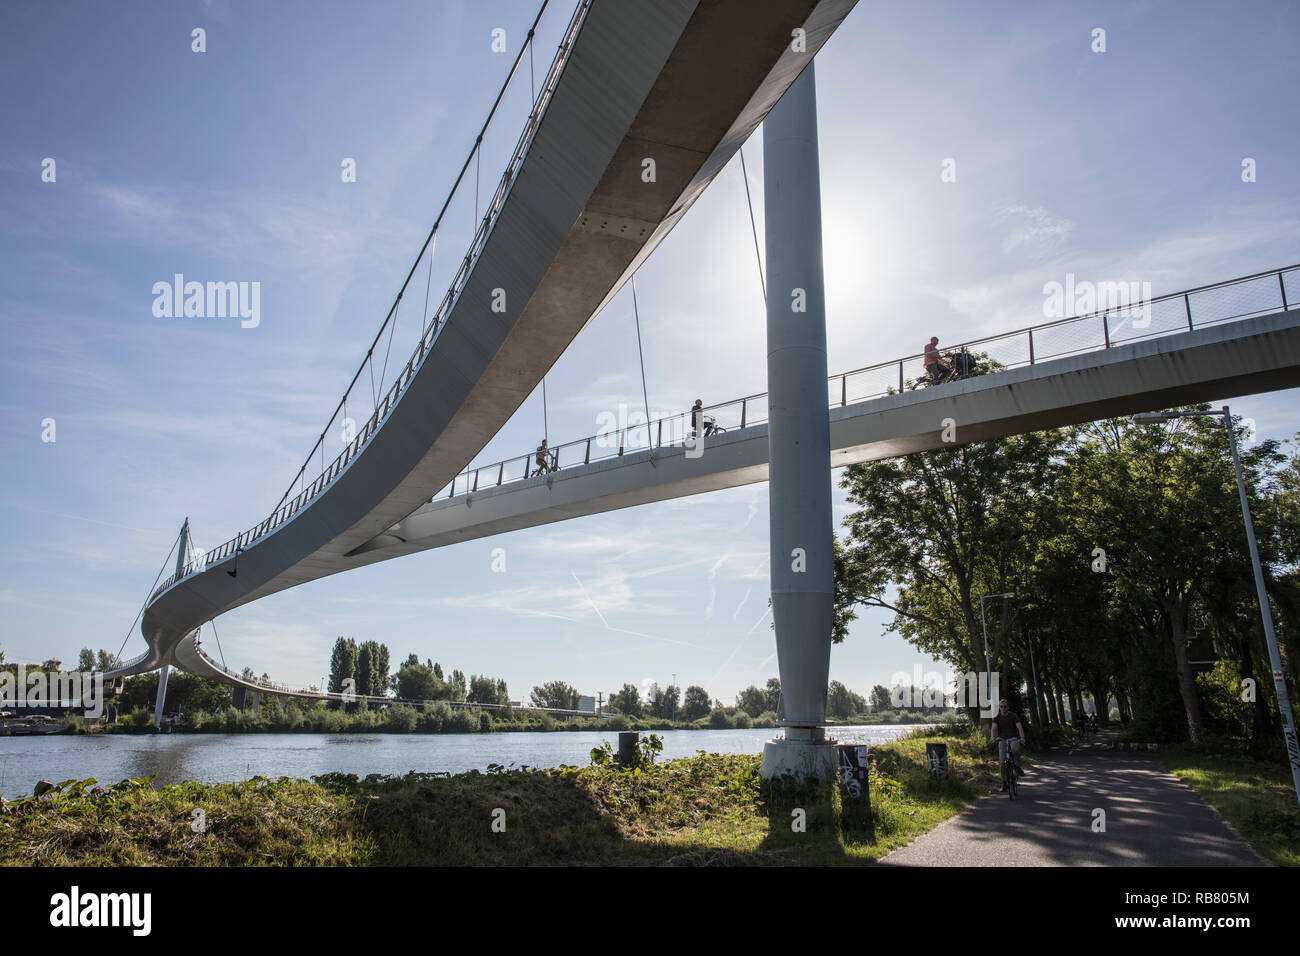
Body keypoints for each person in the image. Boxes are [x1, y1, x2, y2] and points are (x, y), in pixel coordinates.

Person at [991, 699, 1026, 790]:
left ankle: (1017, 766)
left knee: (1015, 750)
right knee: (1002, 761)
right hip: (1002, 739)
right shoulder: (997, 717)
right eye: (1001, 706)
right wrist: (993, 738)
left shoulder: (1013, 716)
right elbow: (993, 728)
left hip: (1013, 738)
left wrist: (1022, 738)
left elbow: (1020, 728)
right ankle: (1004, 782)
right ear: (999, 708)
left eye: (1005, 706)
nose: (1003, 708)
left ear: (1008, 707)